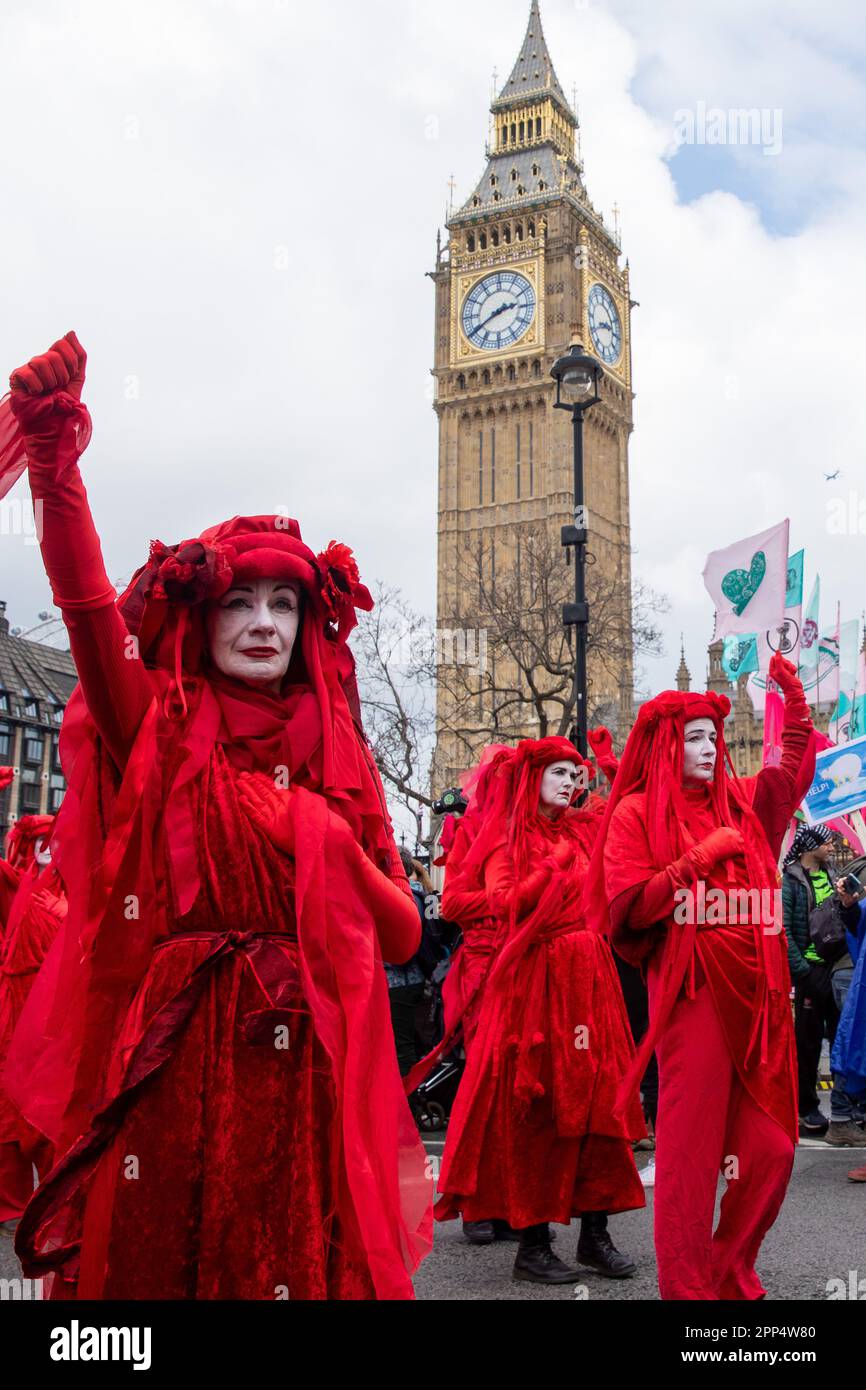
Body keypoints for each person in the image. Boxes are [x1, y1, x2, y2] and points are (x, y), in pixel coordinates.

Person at [3, 331, 431, 1299]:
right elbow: (79, 607)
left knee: (288, 1251)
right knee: (164, 1251)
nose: (265, 622)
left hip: (302, 1049)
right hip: (177, 1038)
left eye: (284, 602)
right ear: (202, 615)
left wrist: (333, 846)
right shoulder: (154, 722)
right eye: (240, 600)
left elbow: (402, 932)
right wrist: (57, 464)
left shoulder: (340, 764)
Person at [587, 653, 815, 1300]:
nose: (711, 746)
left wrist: (794, 702)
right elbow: (627, 905)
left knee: (770, 1148)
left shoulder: (742, 804)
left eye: (714, 736)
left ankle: (726, 1269)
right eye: (694, 737)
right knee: (688, 1163)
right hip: (694, 1003)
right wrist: (693, 860)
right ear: (666, 746)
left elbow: (790, 772)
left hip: (762, 998)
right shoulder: (634, 815)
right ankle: (688, 1293)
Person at [435, 737, 645, 1285]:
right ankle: (533, 1243)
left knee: (599, 1100)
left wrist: (613, 763)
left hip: (589, 976)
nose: (570, 782)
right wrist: (541, 876)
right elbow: (478, 901)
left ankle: (595, 1235)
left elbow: (622, 807)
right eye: (558, 771)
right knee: (541, 1108)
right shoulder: (508, 838)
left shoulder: (580, 828)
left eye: (574, 773)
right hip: (537, 979)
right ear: (533, 777)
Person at [0, 816, 65, 1227]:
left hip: (53, 1012)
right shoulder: (16, 884)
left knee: (51, 1109)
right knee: (9, 1109)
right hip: (14, 1009)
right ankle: (13, 1205)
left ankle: (58, 1203)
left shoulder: (75, 887)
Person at [782, 823, 864, 1142]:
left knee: (842, 1039)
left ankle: (845, 1111)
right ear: (809, 846)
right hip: (810, 973)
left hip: (836, 968)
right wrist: (802, 970)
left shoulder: (833, 875)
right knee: (808, 1044)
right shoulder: (790, 881)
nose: (831, 847)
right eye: (826, 843)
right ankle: (806, 1109)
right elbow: (785, 930)